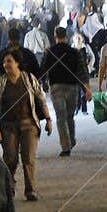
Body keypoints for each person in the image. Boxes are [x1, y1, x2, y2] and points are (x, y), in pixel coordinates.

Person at [0, 49, 52, 200]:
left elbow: (41, 99)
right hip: (7, 125)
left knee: (28, 158)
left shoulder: (29, 79)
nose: (6, 64)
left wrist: (48, 119)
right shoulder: (0, 82)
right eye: (4, 62)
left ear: (17, 63)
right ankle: (9, 186)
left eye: (9, 61)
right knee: (10, 158)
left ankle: (30, 189)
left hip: (29, 124)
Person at [42, 27, 90, 156]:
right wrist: (87, 88)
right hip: (72, 87)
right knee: (69, 116)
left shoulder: (49, 52)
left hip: (56, 87)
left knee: (60, 117)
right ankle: (71, 140)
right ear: (66, 37)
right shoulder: (74, 52)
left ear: (55, 36)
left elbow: (44, 69)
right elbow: (82, 71)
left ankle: (66, 146)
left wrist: (43, 83)